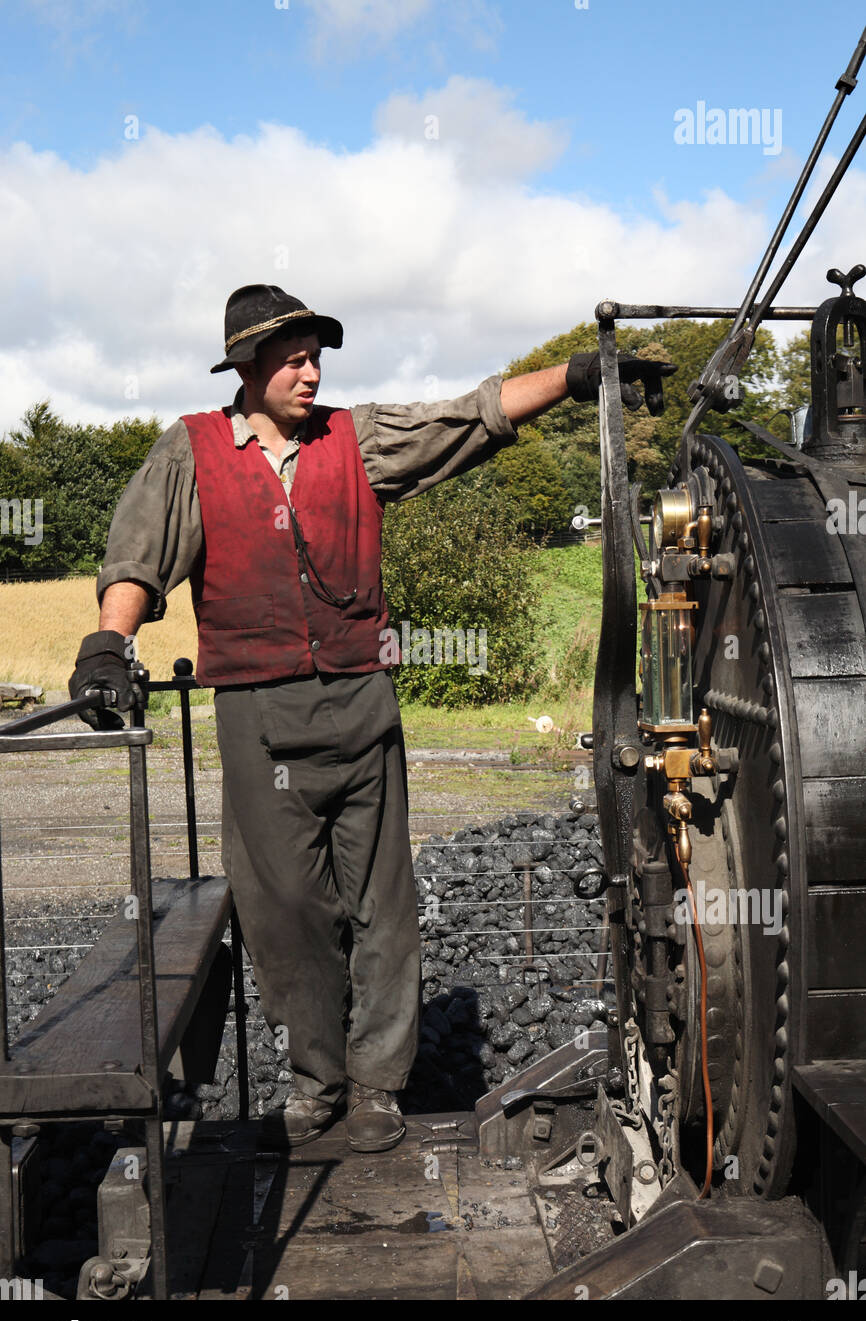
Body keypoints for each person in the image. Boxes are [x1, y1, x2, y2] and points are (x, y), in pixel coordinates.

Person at [69, 283, 673, 1153]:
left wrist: (579, 375)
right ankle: (317, 1081)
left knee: (384, 905)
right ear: (247, 366)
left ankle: (378, 1088)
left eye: (317, 357)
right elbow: (137, 555)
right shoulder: (191, 451)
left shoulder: (359, 440)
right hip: (256, 713)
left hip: (360, 706)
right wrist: (106, 646)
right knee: (285, 916)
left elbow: (470, 416)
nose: (312, 373)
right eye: (294, 359)